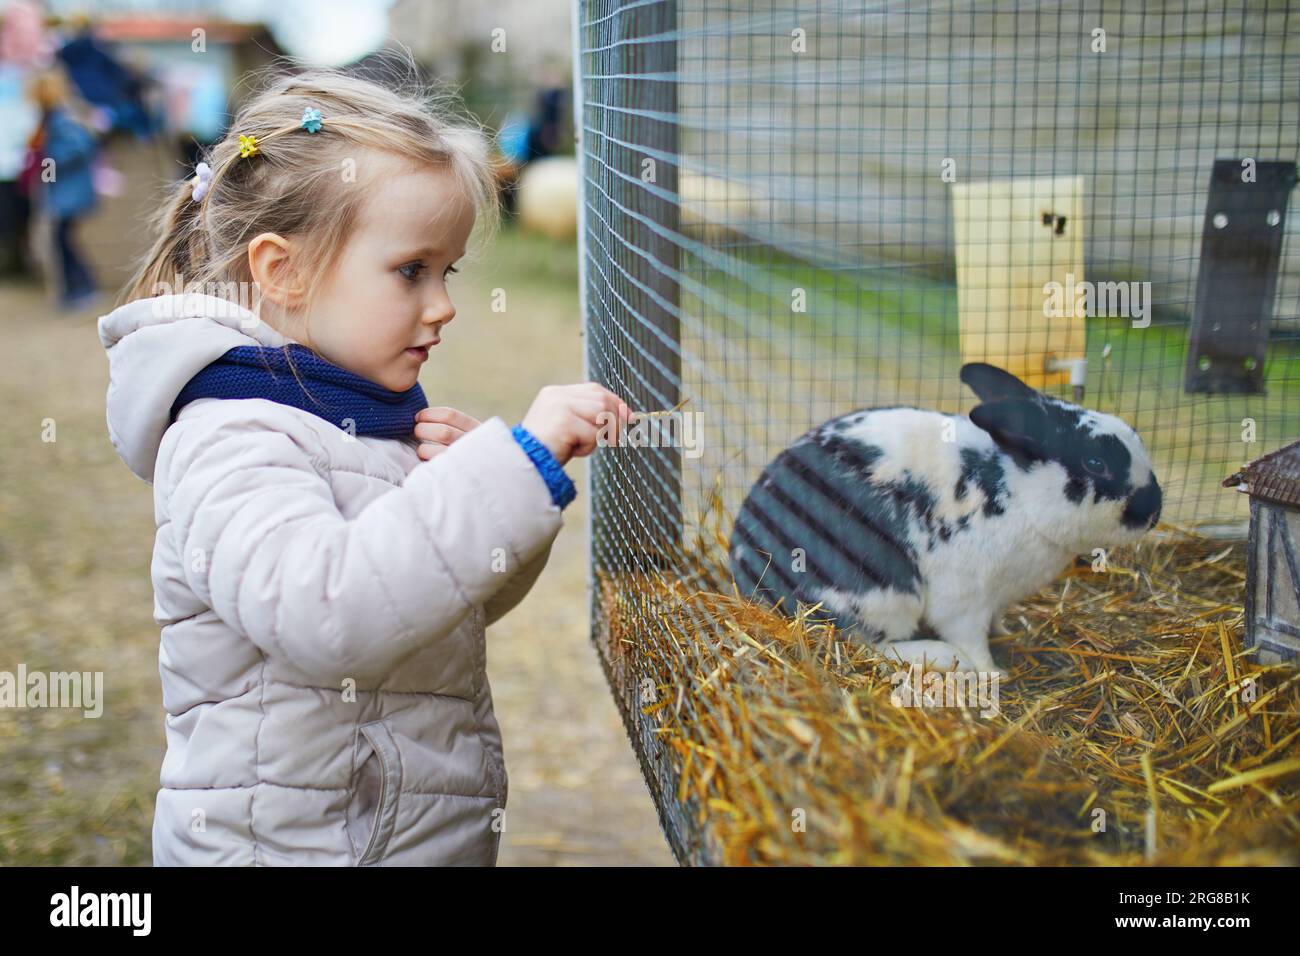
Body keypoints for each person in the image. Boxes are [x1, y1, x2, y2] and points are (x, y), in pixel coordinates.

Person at [96, 62, 634, 865]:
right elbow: (332, 613)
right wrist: (506, 471)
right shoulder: (230, 436)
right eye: (411, 270)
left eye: (446, 271)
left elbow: (449, 603)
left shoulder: (362, 415)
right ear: (284, 271)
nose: (444, 303)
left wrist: (493, 488)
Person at [27, 67, 99, 309]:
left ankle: (82, 288)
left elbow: (80, 147)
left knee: (62, 238)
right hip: (64, 190)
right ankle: (76, 289)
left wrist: (50, 159)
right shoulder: (55, 117)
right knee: (62, 238)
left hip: (69, 191)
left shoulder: (60, 119)